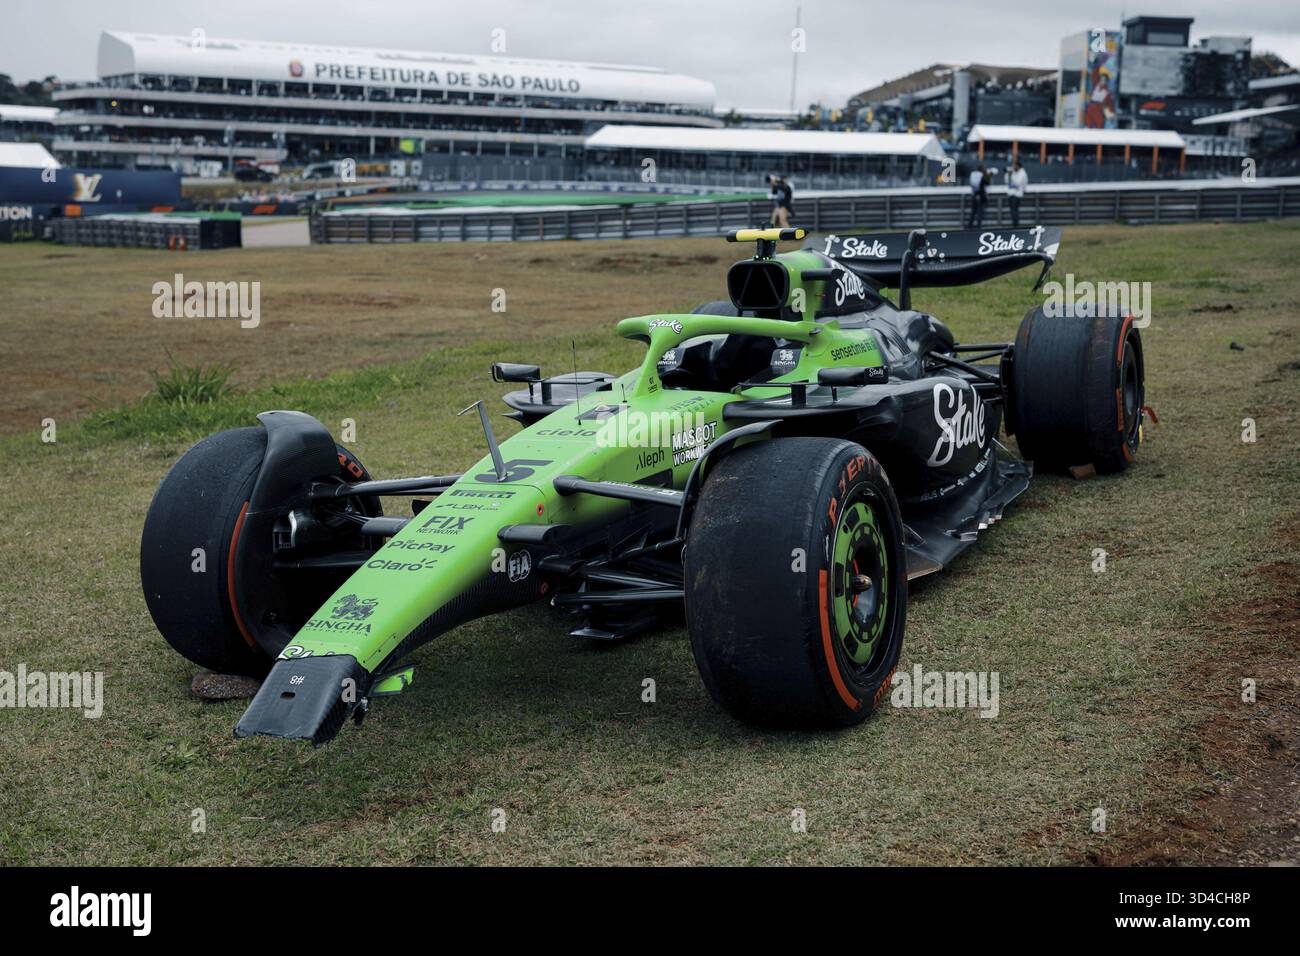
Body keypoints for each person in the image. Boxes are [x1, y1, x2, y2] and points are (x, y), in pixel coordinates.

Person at [1007, 158, 1029, 227]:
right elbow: (1007, 182)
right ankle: (1014, 224)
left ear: (1018, 166)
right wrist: (1008, 174)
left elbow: (1018, 183)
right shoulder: (1014, 172)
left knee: (1014, 211)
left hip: (1017, 195)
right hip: (1012, 193)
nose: (1013, 167)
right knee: (1013, 211)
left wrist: (1011, 175)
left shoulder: (1023, 173)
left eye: (1014, 166)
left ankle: (1015, 225)